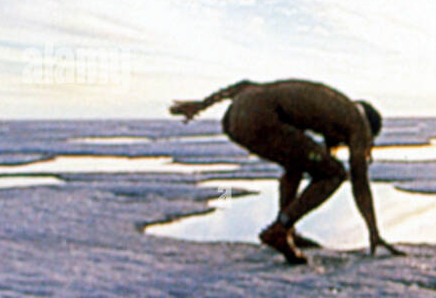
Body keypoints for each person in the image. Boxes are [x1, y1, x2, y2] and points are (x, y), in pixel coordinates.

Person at [169, 78, 402, 264]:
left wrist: (202, 104)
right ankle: (281, 228)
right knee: (335, 174)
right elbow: (359, 181)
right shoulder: (357, 120)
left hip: (234, 117)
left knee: (297, 162)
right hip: (261, 116)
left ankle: (286, 228)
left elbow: (243, 86)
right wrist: (373, 231)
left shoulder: (331, 105)